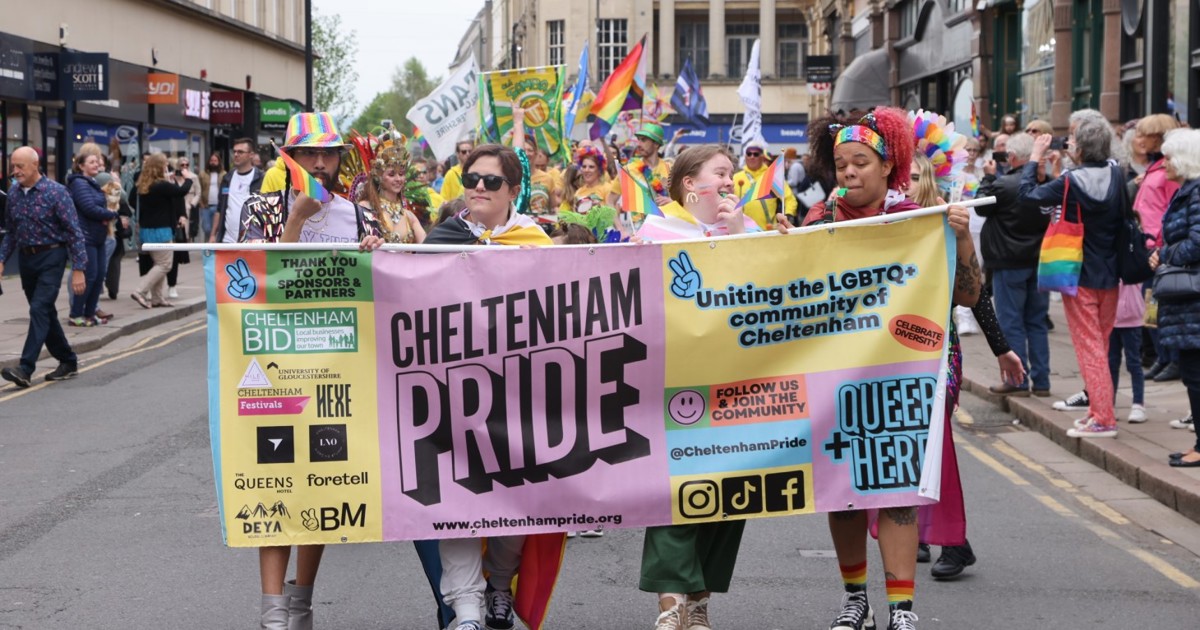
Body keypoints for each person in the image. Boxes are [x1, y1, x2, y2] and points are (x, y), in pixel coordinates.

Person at [786, 107, 981, 630]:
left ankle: (901, 610)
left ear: (887, 166)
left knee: (896, 490)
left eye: (860, 163)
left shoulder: (917, 222)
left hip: (902, 377)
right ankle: (856, 600)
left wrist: (960, 240)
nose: (848, 173)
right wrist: (782, 250)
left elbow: (965, 294)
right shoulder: (819, 221)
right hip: (835, 382)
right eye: (842, 164)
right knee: (843, 491)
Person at [240, 112, 385, 630]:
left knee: (321, 489)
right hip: (275, 366)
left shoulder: (362, 216)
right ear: (291, 159)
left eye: (328, 154)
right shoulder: (261, 207)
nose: (320, 163)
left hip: (338, 370)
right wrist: (298, 220)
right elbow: (252, 280)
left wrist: (377, 254)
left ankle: (301, 603)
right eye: (309, 154)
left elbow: (385, 289)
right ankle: (272, 610)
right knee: (274, 487)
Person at [423, 145, 554, 630]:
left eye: (491, 181)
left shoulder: (535, 241)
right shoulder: (441, 237)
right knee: (455, 499)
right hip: (452, 392)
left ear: (513, 190)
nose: (478, 186)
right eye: (470, 177)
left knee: (513, 501)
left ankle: (500, 585)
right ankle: (467, 607)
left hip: (518, 392)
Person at [635, 145, 756, 630]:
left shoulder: (748, 231)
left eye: (732, 174)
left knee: (726, 494)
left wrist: (741, 236)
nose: (731, 182)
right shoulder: (654, 233)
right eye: (721, 173)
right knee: (673, 489)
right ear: (690, 184)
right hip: (671, 383)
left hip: (737, 386)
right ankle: (671, 602)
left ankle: (699, 598)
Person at [1019, 109, 1124, 438]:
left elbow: (1027, 198)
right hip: (1111, 273)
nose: (1070, 142)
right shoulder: (1117, 173)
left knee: (1089, 348)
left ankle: (1104, 419)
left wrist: (1034, 158)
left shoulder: (1071, 181)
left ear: (1080, 149)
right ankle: (1097, 411)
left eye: (1074, 139)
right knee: (1101, 346)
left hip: (1077, 274)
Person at [0, 146, 87, 388]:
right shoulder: (14, 194)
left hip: (52, 256)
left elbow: (74, 232)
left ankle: (25, 368)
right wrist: (1, 259)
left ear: (35, 165)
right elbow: (11, 232)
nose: (15, 171)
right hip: (27, 260)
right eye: (13, 166)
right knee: (45, 311)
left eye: (20, 166)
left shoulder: (56, 192)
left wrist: (79, 268)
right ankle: (68, 360)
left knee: (39, 308)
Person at [977, 132, 1053, 396]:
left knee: (1011, 322)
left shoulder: (1004, 185)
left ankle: (1017, 381)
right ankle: (1042, 382)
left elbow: (980, 207)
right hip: (1039, 262)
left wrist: (988, 176)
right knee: (1037, 322)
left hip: (1009, 264)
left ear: (1011, 157)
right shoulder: (1045, 185)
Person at [1154, 128, 1200, 457]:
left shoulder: (1196, 192)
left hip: (1194, 301)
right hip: (1188, 303)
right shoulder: (1188, 190)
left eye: (1168, 156)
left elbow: (1197, 242)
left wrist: (1166, 254)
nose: (1163, 162)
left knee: (1196, 376)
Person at [1132, 115, 1184, 383]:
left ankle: (1172, 359)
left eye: (1145, 134)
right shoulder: (1154, 169)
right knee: (1150, 308)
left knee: (1159, 306)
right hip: (1147, 246)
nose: (1138, 140)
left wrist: (1162, 246)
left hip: (1158, 249)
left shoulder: (1169, 171)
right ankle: (1163, 358)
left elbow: (1171, 210)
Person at [65, 143, 119, 327]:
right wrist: (110, 214)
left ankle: (89, 314)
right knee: (89, 276)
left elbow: (105, 204)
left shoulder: (94, 183)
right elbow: (89, 208)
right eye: (92, 162)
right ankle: (76, 314)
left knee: (98, 276)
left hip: (98, 237)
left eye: (98, 162)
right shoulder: (79, 183)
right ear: (81, 166)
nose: (97, 165)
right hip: (85, 237)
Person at [131, 154, 190, 309]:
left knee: (159, 263)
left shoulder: (144, 184)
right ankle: (140, 291)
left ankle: (157, 298)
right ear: (158, 167)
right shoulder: (160, 185)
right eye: (164, 164)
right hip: (161, 231)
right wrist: (188, 178)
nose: (167, 167)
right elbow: (181, 192)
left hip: (147, 230)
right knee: (165, 264)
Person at [357, 143, 427, 244]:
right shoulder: (365, 208)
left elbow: (427, 248)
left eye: (401, 174)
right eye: (391, 174)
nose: (398, 179)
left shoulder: (409, 216)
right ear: (379, 177)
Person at [732, 139, 798, 228]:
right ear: (745, 157)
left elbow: (789, 199)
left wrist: (788, 215)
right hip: (744, 232)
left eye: (756, 154)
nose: (752, 156)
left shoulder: (772, 176)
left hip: (768, 232)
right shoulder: (736, 178)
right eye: (749, 154)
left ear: (762, 157)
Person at [210, 138, 264, 243]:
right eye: (234, 151)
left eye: (240, 152)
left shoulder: (260, 178)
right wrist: (213, 235)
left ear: (251, 155)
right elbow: (220, 209)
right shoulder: (227, 178)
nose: (236, 154)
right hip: (228, 240)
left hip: (251, 242)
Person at [606, 122, 671, 207]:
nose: (639, 144)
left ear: (656, 144)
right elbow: (610, 201)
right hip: (638, 220)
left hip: (664, 219)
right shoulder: (627, 170)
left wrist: (671, 201)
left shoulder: (670, 168)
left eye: (643, 140)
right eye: (638, 140)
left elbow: (686, 200)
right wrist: (618, 220)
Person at [98, 173, 133, 302]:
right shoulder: (96, 187)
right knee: (103, 261)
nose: (97, 165)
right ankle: (100, 287)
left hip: (113, 231)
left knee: (114, 259)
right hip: (104, 231)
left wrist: (116, 183)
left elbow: (124, 201)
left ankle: (112, 288)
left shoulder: (114, 189)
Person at [560, 145, 610, 213]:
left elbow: (613, 216)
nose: (586, 170)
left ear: (599, 170)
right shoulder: (579, 192)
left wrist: (600, 208)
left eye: (591, 167)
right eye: (584, 166)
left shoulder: (607, 189)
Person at [200, 151, 224, 241]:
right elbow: (199, 189)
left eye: (215, 160)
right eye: (211, 160)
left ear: (219, 162)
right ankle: (207, 248)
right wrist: (200, 203)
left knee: (217, 229)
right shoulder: (203, 174)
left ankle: (216, 249)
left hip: (219, 206)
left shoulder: (224, 174)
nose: (213, 162)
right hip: (206, 206)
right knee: (206, 228)